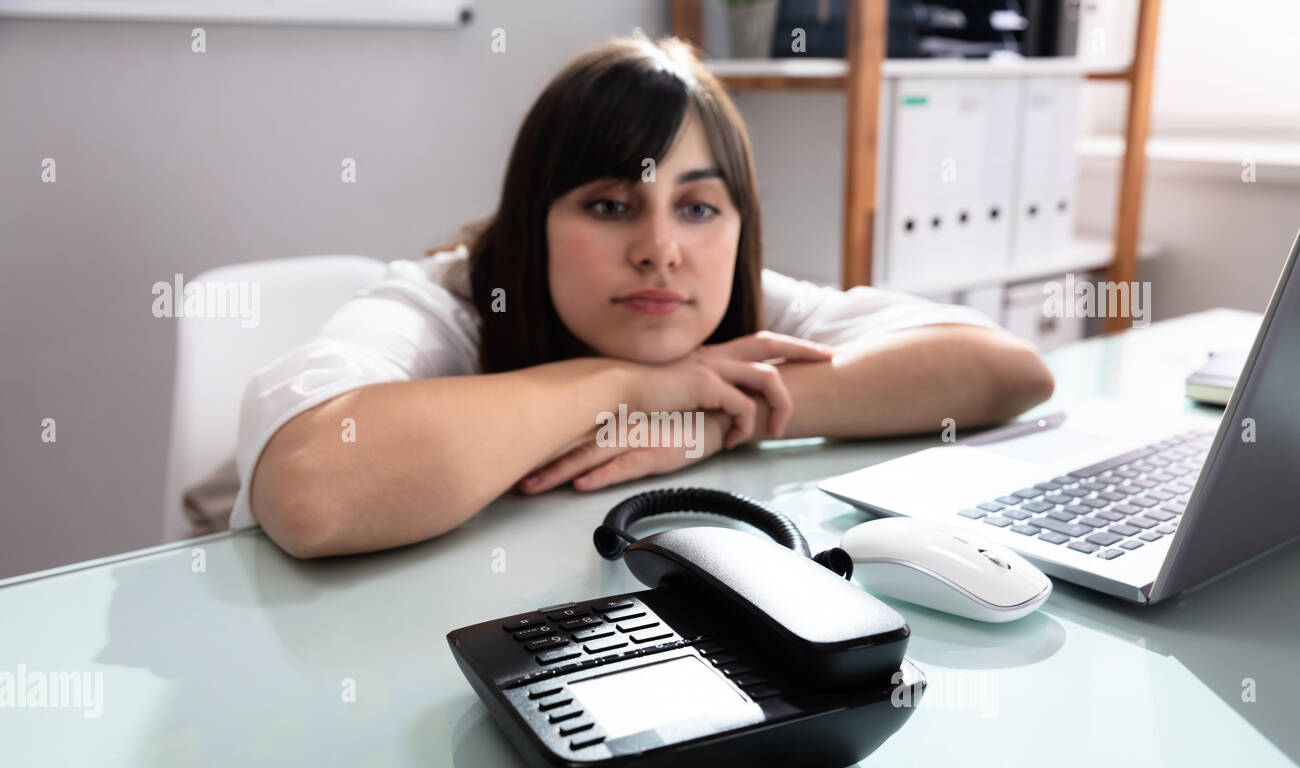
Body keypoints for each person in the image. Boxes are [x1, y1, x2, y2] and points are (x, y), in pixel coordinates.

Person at [230, 35, 1054, 559]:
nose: (662, 249)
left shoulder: (732, 301)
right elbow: (316, 491)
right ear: (536, 220)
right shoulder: (448, 303)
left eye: (698, 208)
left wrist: (711, 419)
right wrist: (629, 388)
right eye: (609, 205)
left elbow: (1006, 371)